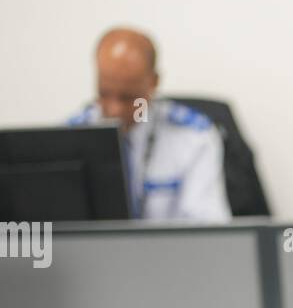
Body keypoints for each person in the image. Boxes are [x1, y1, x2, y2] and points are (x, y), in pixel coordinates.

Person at [68, 27, 230, 221]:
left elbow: (208, 227)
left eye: (127, 97)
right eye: (104, 93)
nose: (114, 110)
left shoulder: (195, 136)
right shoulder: (69, 138)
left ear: (153, 83)